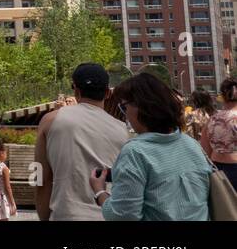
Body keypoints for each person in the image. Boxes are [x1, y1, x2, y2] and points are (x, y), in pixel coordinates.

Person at [90, 72, 211, 221]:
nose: (124, 114)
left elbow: (123, 217)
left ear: (140, 107)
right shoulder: (191, 144)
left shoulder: (135, 153)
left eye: (123, 107)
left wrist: (100, 192)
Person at [34, 63, 130, 221]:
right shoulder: (122, 130)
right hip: (107, 215)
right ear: (107, 93)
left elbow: (40, 176)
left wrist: (44, 217)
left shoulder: (50, 120)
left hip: (66, 215)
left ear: (76, 90)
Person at [201, 77, 237, 190]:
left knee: (224, 205)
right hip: (235, 166)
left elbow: (205, 150)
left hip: (216, 168)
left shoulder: (212, 119)